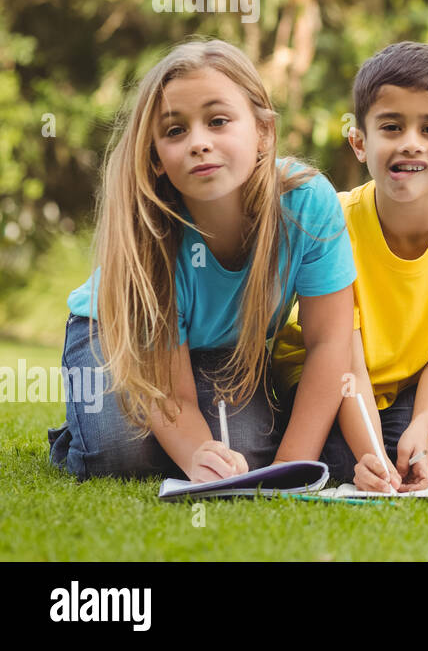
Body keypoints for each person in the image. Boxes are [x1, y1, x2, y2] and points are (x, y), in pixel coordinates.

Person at [49, 39, 356, 482]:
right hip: (113, 332)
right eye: (175, 131)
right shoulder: (152, 229)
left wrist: (290, 468)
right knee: (117, 457)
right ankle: (81, 429)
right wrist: (194, 453)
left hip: (217, 348)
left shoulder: (307, 204)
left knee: (245, 452)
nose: (199, 143)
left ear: (263, 132)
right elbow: (168, 386)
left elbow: (330, 344)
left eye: (218, 121)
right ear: (155, 157)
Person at [272, 42, 428, 491]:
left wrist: (421, 427)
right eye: (392, 127)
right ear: (360, 142)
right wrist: (372, 453)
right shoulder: (335, 222)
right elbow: (345, 359)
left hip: (401, 389)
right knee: (348, 462)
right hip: (322, 377)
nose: (411, 144)